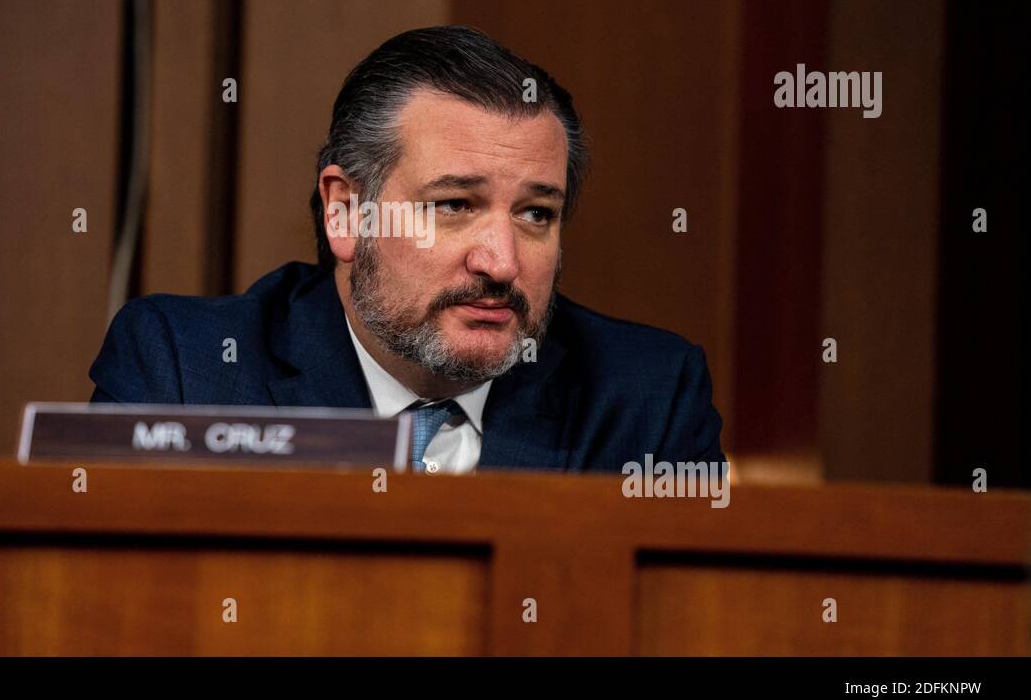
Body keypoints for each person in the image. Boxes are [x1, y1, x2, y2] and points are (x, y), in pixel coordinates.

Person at [89, 26, 725, 474]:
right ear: (345, 212)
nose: (501, 264)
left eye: (536, 214)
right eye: (454, 206)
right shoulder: (186, 373)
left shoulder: (648, 399)